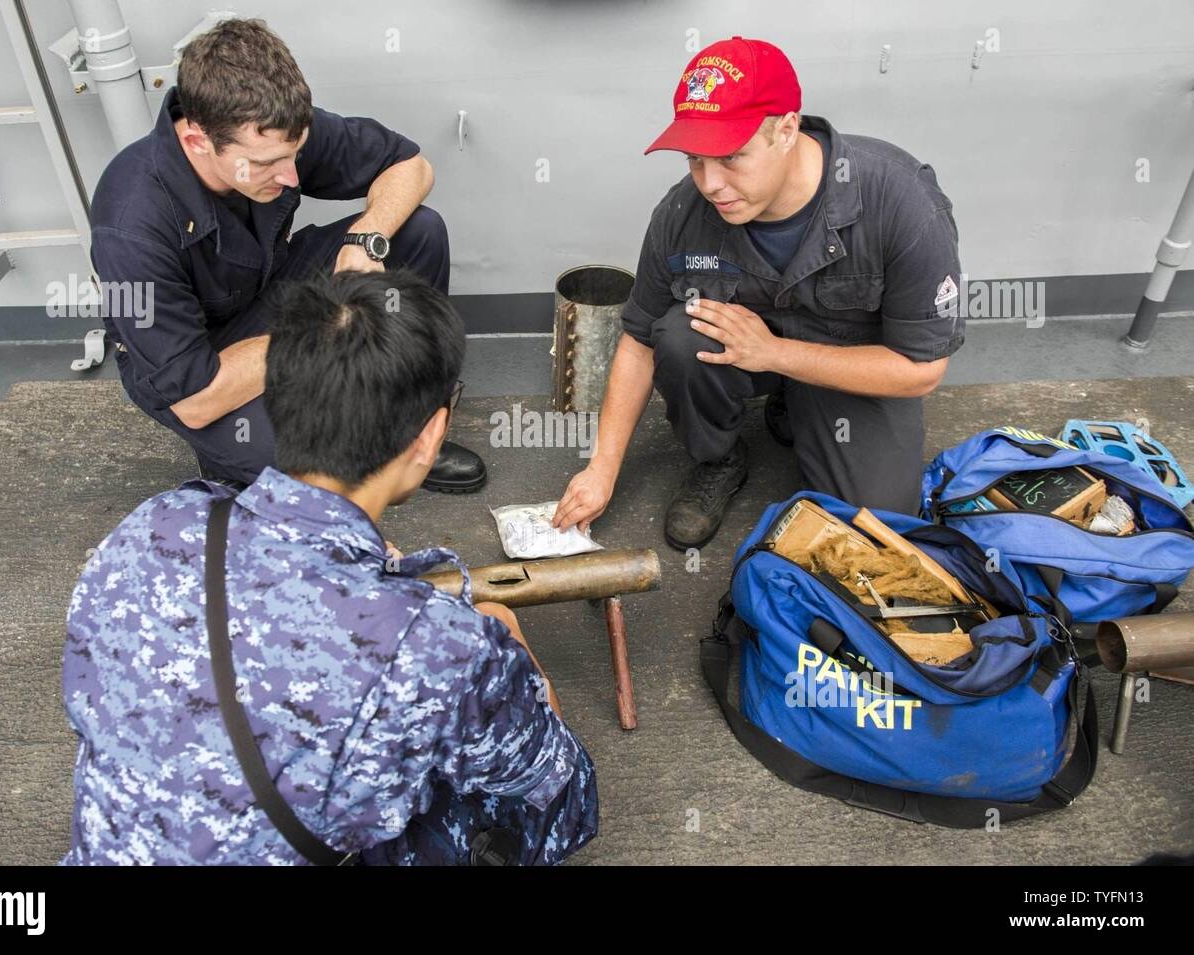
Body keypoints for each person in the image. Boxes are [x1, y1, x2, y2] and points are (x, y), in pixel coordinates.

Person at [62, 269, 597, 865]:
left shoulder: (156, 524)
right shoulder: (441, 646)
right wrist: (519, 666)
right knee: (543, 789)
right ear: (431, 435)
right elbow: (555, 780)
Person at [554, 37, 964, 549]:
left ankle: (797, 405)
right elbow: (639, 341)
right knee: (679, 336)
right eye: (694, 160)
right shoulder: (681, 214)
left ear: (787, 129)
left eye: (731, 157)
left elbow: (921, 368)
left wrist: (775, 354)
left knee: (870, 530)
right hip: (753, 353)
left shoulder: (900, 202)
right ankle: (718, 459)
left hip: (850, 365)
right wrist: (602, 469)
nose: (711, 183)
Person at [91, 17, 485, 492]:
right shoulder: (131, 222)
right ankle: (234, 458)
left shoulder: (273, 127)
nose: (291, 176)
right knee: (311, 460)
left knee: (418, 232)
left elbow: (411, 166)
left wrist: (366, 237)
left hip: (267, 289)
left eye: (293, 153)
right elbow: (195, 396)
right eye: (265, 165)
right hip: (198, 364)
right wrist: (328, 320)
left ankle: (405, 431)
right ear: (198, 140)